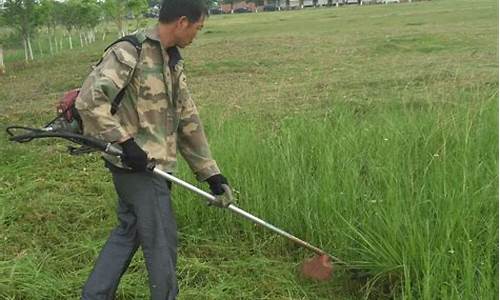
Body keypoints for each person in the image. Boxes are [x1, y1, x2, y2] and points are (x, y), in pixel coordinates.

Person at [75, 0, 234, 299]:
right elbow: (89, 102)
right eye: (198, 28)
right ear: (182, 22)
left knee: (128, 232)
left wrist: (210, 173)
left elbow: (187, 118)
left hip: (156, 165)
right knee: (161, 242)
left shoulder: (172, 60)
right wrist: (124, 142)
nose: (196, 36)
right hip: (139, 167)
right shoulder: (128, 52)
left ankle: (95, 295)